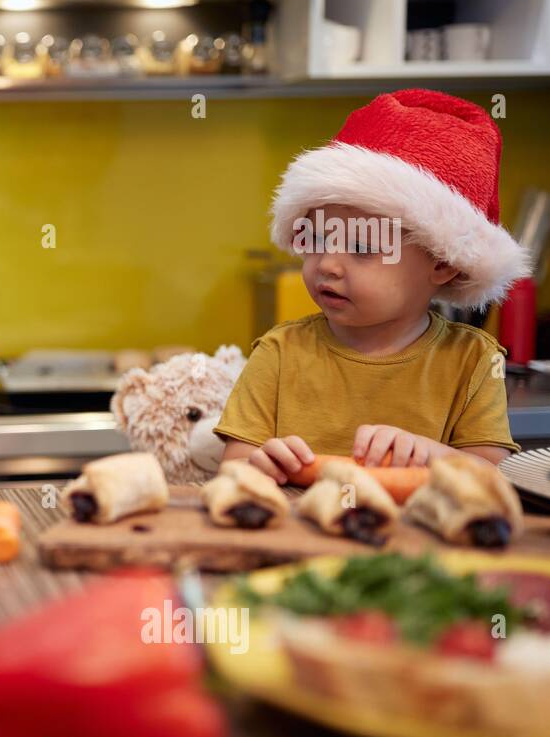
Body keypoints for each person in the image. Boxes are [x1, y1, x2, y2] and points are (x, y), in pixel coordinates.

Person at [216, 89, 529, 483]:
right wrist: (260, 466)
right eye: (317, 239)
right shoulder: (279, 354)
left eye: (361, 247)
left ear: (444, 263)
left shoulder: (474, 362)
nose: (327, 263)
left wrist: (430, 455)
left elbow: (493, 480)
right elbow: (232, 472)